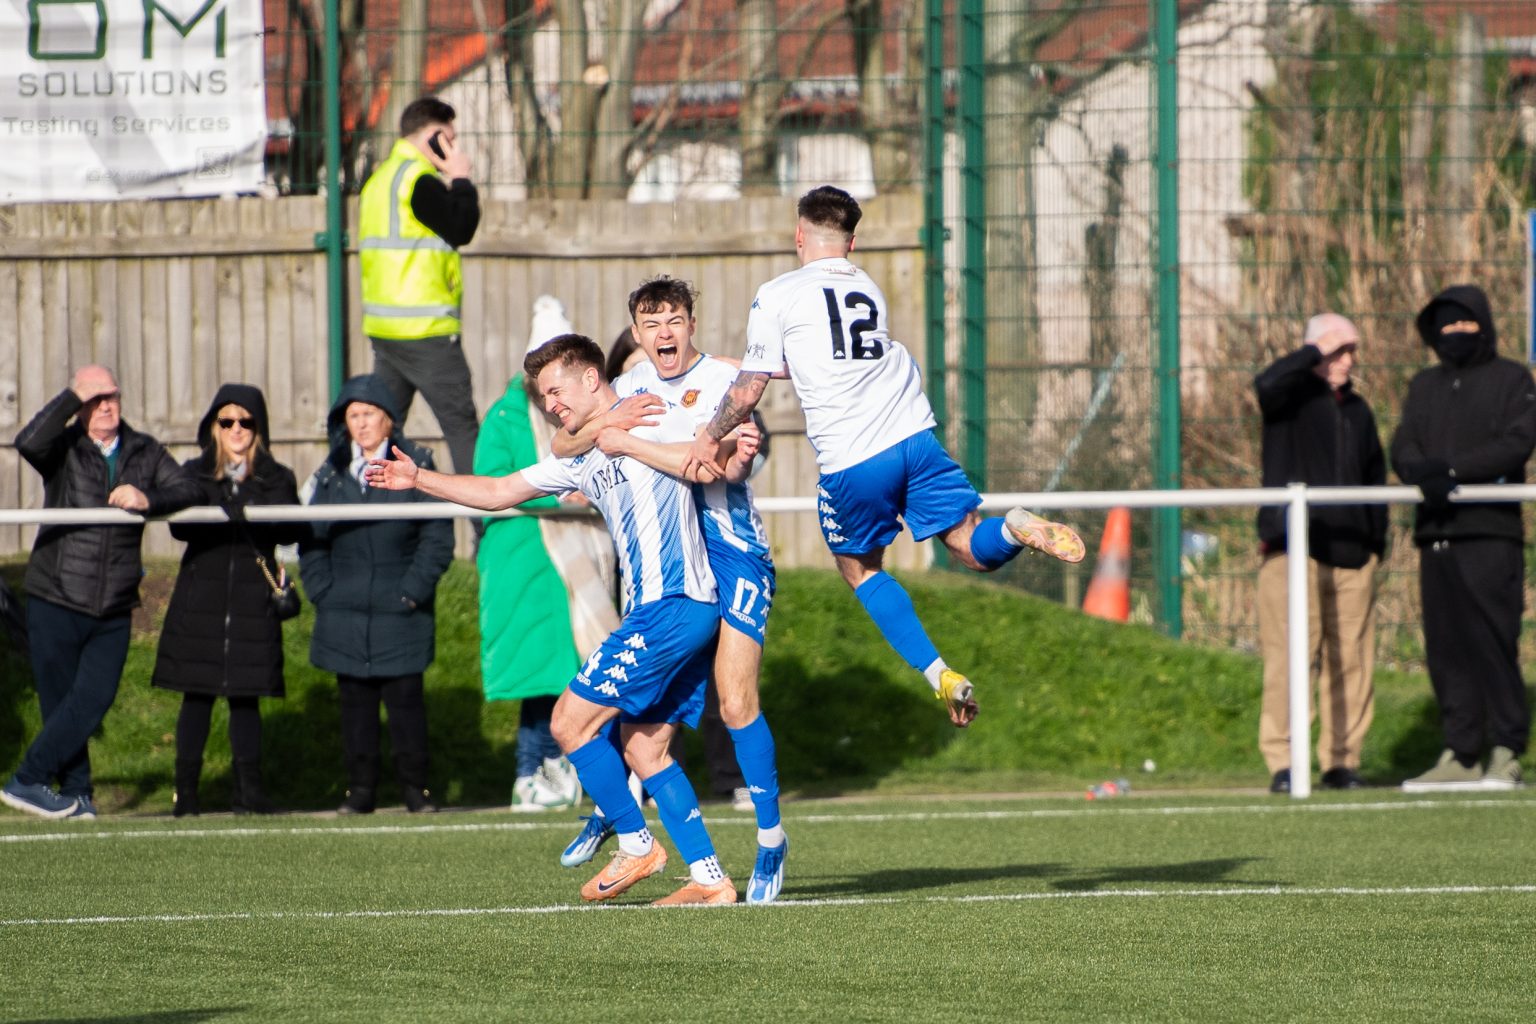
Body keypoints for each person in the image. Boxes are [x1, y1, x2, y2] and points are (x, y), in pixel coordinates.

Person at [682, 185, 1086, 727]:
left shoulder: (777, 293)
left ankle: (939, 673)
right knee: (971, 546)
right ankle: (1014, 530)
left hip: (854, 458)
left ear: (799, 236)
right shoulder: (867, 287)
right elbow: (807, 359)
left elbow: (750, 389)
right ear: (852, 242)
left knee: (860, 568)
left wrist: (710, 436)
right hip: (914, 435)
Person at [367, 334, 741, 906]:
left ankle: (636, 843)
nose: (550, 404)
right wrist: (419, 480)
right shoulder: (583, 455)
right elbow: (499, 491)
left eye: (556, 390)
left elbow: (712, 420)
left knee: (569, 724)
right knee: (645, 750)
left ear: (591, 377)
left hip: (673, 604)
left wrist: (750, 403)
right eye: (543, 396)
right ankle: (711, 880)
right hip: (674, 610)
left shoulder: (650, 412)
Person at [551, 276, 787, 904]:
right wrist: (602, 429)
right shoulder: (629, 386)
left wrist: (628, 440)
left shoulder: (725, 378)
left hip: (733, 553)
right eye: (651, 323)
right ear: (636, 331)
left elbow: (719, 463)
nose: (663, 333)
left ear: (690, 324)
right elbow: (563, 440)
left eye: (674, 320)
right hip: (675, 567)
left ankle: (770, 839)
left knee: (735, 704)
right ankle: (682, 861)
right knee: (645, 736)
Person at [2, 365, 200, 819]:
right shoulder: (63, 447)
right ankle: (76, 794)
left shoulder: (145, 450)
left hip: (113, 602)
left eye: (111, 395)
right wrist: (72, 395)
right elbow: (28, 442)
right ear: (79, 406)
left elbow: (189, 488)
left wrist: (148, 499)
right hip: (55, 596)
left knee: (93, 698)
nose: (106, 405)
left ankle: (28, 779)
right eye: (94, 399)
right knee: (60, 704)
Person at [1391, 284, 1536, 791]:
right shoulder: (1424, 386)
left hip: (1490, 534)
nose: (1456, 332)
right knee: (1446, 647)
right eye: (1446, 325)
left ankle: (1506, 749)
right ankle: (1460, 751)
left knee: (1492, 640)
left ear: (1485, 325)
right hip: (1435, 534)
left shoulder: (1512, 380)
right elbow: (1403, 445)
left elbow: (1516, 443)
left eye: (1466, 323)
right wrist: (1423, 474)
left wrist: (1454, 472)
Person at [477, 297, 619, 813]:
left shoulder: (590, 414)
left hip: (575, 558)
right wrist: (560, 498)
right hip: (527, 558)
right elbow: (493, 481)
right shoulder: (506, 414)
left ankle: (562, 771)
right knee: (542, 676)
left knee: (572, 672)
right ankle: (531, 772)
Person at [300, 376, 456, 814]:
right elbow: (312, 540)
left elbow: (437, 538)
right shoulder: (329, 473)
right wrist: (323, 591)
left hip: (401, 611)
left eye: (369, 413)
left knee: (406, 707)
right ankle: (360, 792)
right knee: (355, 710)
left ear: (388, 419)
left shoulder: (416, 465)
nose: (361, 423)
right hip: (343, 611)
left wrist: (411, 593)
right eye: (353, 415)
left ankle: (416, 791)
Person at [151, 384, 308, 816]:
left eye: (246, 421)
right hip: (199, 599)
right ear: (214, 427)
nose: (236, 429)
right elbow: (180, 527)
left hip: (253, 602)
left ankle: (249, 791)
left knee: (246, 697)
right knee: (196, 697)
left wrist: (249, 501)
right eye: (227, 421)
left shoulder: (276, 476)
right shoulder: (193, 473)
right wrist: (223, 502)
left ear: (259, 427)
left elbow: (293, 530)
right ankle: (186, 793)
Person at [1253, 315, 1387, 794]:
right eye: (1337, 351)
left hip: (1352, 554)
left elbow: (1374, 478)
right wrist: (1314, 352)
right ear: (1313, 351)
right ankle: (1285, 763)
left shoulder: (1359, 410)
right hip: (1293, 552)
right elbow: (1266, 384)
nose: (1347, 361)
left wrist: (1375, 545)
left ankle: (1341, 762)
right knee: (1290, 657)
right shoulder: (1288, 398)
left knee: (1351, 660)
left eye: (1351, 351)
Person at [358, 95, 481, 477]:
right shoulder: (418, 180)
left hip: (385, 330)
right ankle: (484, 514)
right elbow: (462, 227)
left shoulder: (378, 181)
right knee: (462, 427)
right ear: (433, 137)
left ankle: (366, 505)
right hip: (426, 330)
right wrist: (460, 178)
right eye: (450, 139)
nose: (455, 148)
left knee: (381, 432)